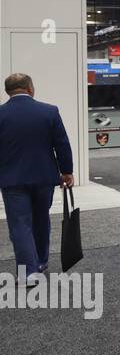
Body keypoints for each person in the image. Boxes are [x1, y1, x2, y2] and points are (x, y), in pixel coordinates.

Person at [0, 73, 74, 284]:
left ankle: (28, 271)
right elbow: (62, 144)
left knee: (20, 224)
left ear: (8, 91)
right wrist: (67, 171)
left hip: (12, 179)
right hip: (44, 177)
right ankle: (40, 262)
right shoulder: (49, 111)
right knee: (41, 219)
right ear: (30, 88)